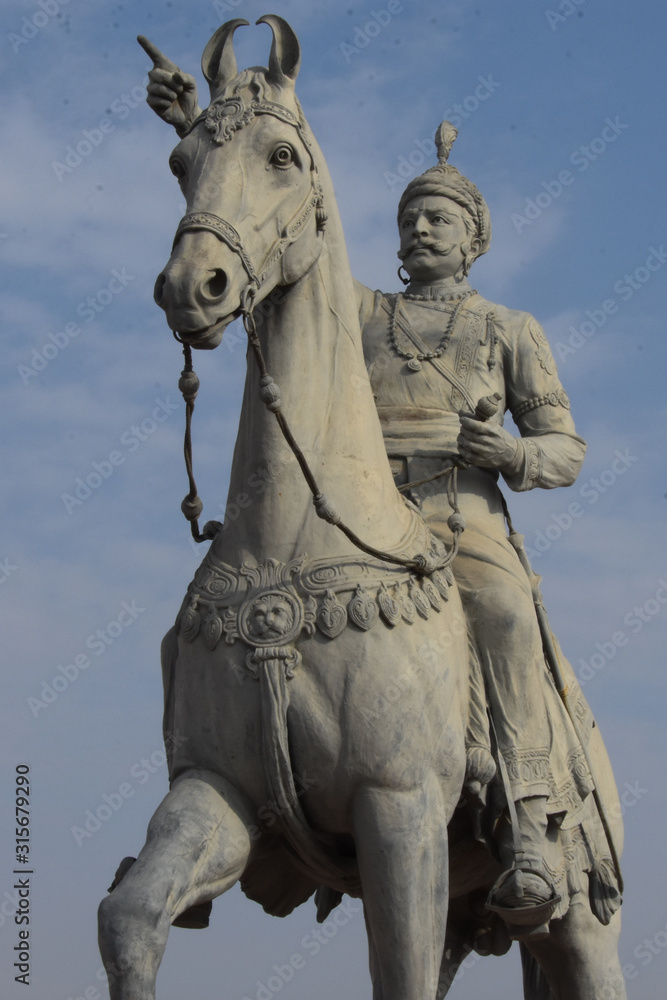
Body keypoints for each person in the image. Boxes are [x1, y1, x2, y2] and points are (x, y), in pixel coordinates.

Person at [355, 121, 595, 932]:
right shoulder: (361, 315)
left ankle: (528, 823)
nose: (418, 229)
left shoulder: (508, 327)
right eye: (408, 218)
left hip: (462, 516)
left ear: (472, 241)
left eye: (437, 219)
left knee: (499, 612)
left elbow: (566, 448)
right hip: (360, 519)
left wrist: (513, 452)